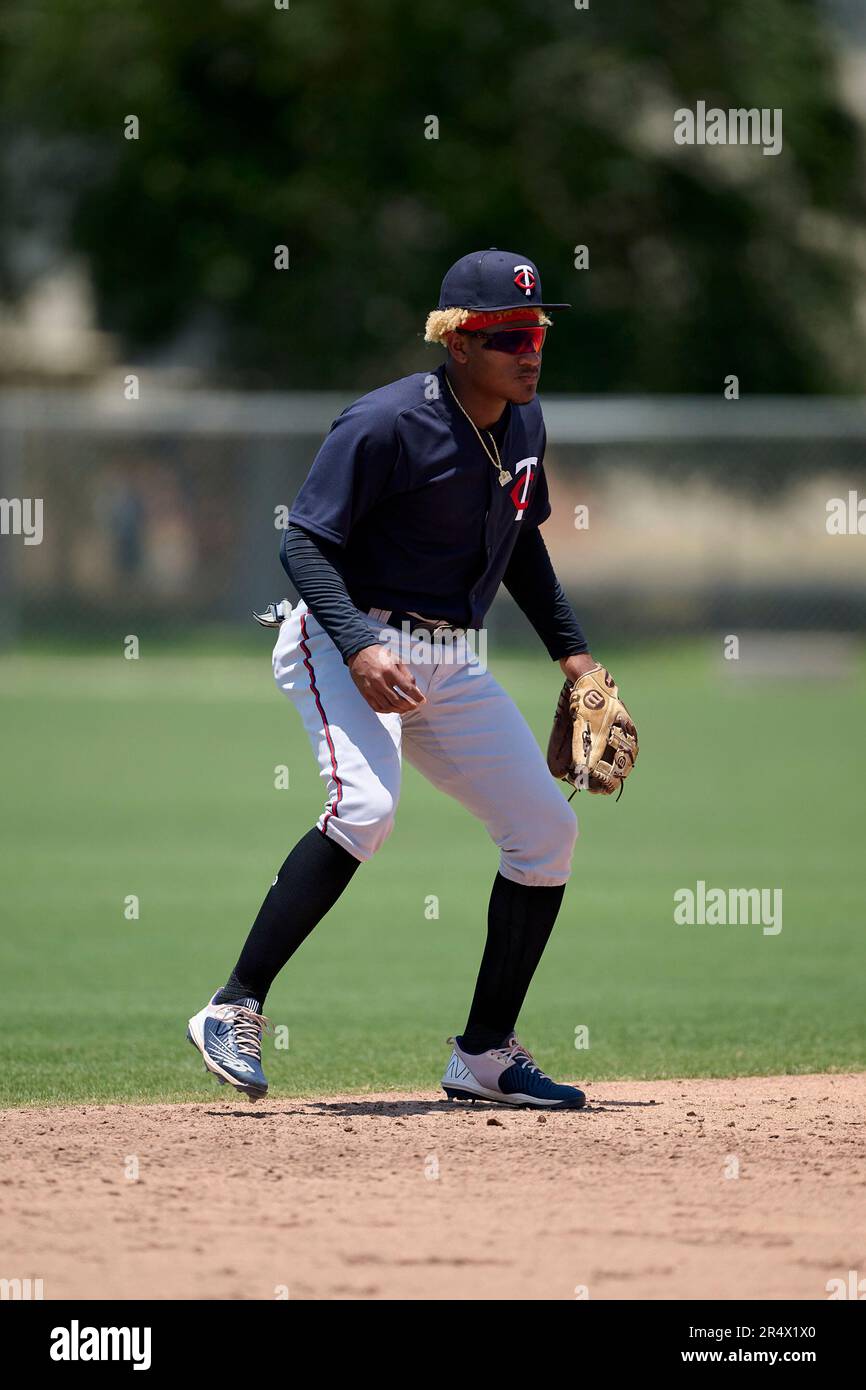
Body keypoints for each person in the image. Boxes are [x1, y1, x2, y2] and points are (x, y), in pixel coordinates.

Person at [187, 248, 603, 1109]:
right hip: (347, 636)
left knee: (544, 833)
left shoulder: (525, 424)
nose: (529, 350)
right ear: (455, 340)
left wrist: (575, 654)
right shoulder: (383, 425)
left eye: (537, 332)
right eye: (506, 336)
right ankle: (232, 1006)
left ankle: (485, 1055)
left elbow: (521, 544)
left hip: (451, 659)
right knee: (365, 808)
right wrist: (356, 644)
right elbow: (303, 542)